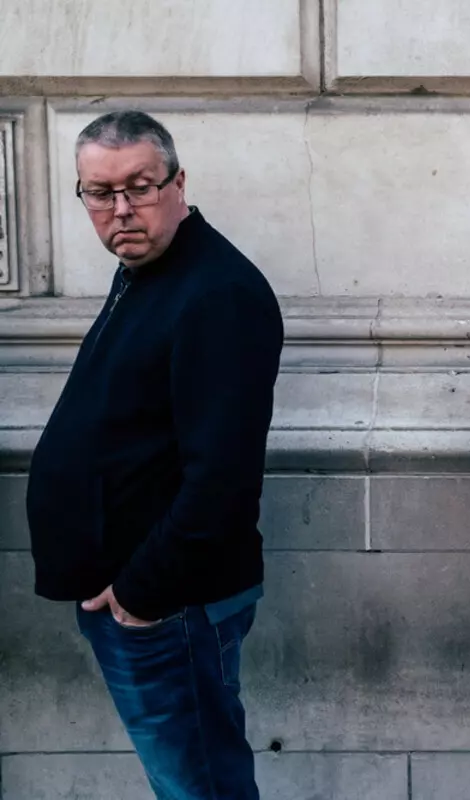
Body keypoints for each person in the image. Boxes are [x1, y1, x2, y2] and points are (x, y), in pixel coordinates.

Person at [25, 111, 283, 800]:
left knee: (201, 787)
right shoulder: (146, 269)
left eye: (138, 186)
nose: (120, 210)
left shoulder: (218, 293)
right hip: (146, 597)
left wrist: (139, 597)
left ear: (178, 182)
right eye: (99, 193)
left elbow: (223, 481)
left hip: (169, 603)